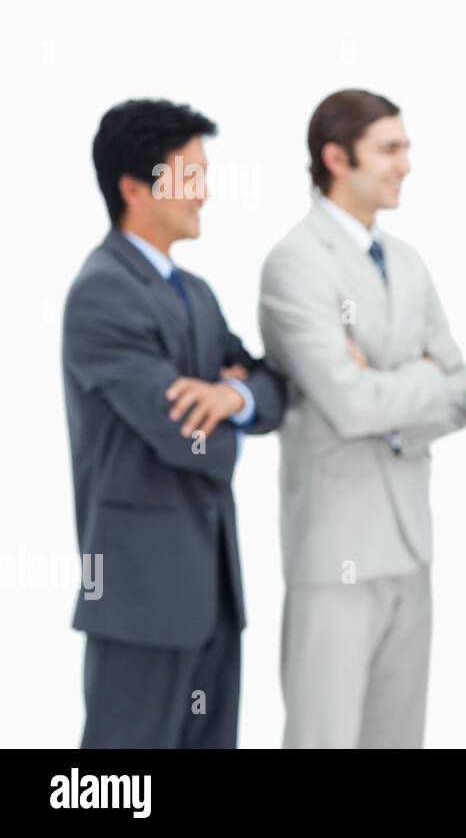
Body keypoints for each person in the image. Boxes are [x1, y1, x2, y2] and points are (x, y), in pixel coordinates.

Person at [63, 98, 285, 747]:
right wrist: (227, 406)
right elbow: (195, 444)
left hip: (212, 592)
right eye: (189, 176)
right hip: (139, 601)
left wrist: (233, 399)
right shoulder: (101, 292)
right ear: (134, 187)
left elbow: (273, 385)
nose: (205, 193)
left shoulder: (197, 292)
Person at [258, 89, 466, 748]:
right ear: (336, 157)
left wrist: (385, 390)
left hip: (410, 544)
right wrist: (417, 383)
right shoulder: (296, 261)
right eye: (390, 149)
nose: (405, 164)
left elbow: (462, 390)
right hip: (336, 550)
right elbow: (348, 406)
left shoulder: (407, 260)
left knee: (398, 739)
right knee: (324, 737)